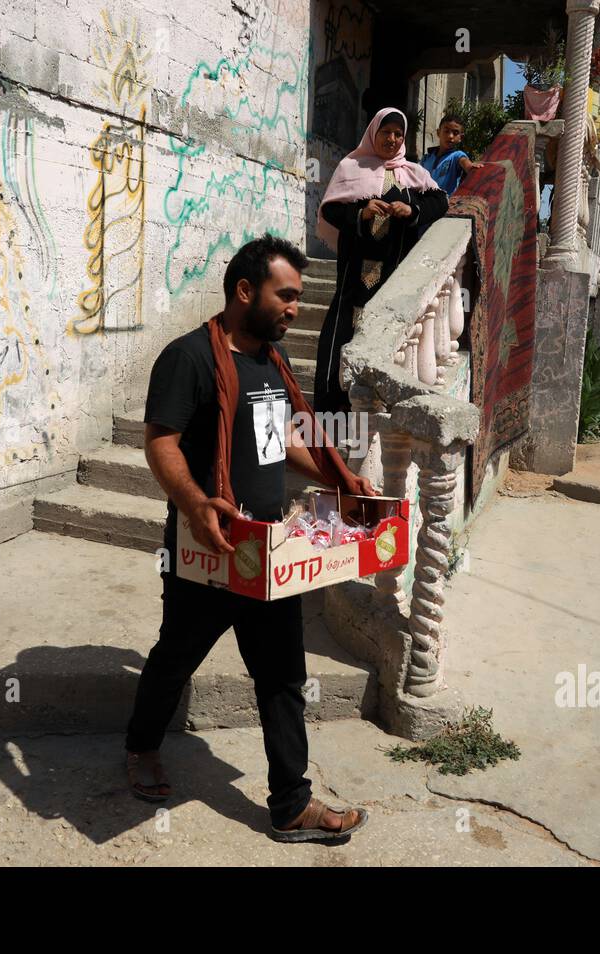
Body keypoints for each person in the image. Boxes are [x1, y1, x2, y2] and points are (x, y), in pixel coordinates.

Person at [125, 234, 378, 843]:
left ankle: (291, 804)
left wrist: (340, 482)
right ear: (245, 291)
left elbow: (278, 441)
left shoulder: (273, 361)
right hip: (207, 547)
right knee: (176, 656)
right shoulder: (188, 358)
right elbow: (160, 441)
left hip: (268, 551)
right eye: (285, 295)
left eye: (296, 297)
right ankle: (140, 747)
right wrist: (192, 502)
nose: (294, 307)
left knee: (283, 676)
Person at [313, 107, 450, 413]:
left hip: (395, 271)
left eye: (398, 134)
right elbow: (331, 211)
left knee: (388, 331)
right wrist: (360, 213)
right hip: (355, 270)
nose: (391, 138)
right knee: (343, 329)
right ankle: (332, 407)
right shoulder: (351, 167)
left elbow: (440, 201)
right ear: (374, 133)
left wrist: (411, 211)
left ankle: (378, 406)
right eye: (385, 132)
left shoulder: (413, 173)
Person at [420, 114, 486, 195]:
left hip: (444, 205)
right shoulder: (426, 158)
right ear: (438, 132)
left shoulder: (456, 156)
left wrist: (471, 167)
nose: (450, 136)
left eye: (455, 133)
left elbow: (465, 163)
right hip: (422, 203)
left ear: (460, 138)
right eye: (446, 131)